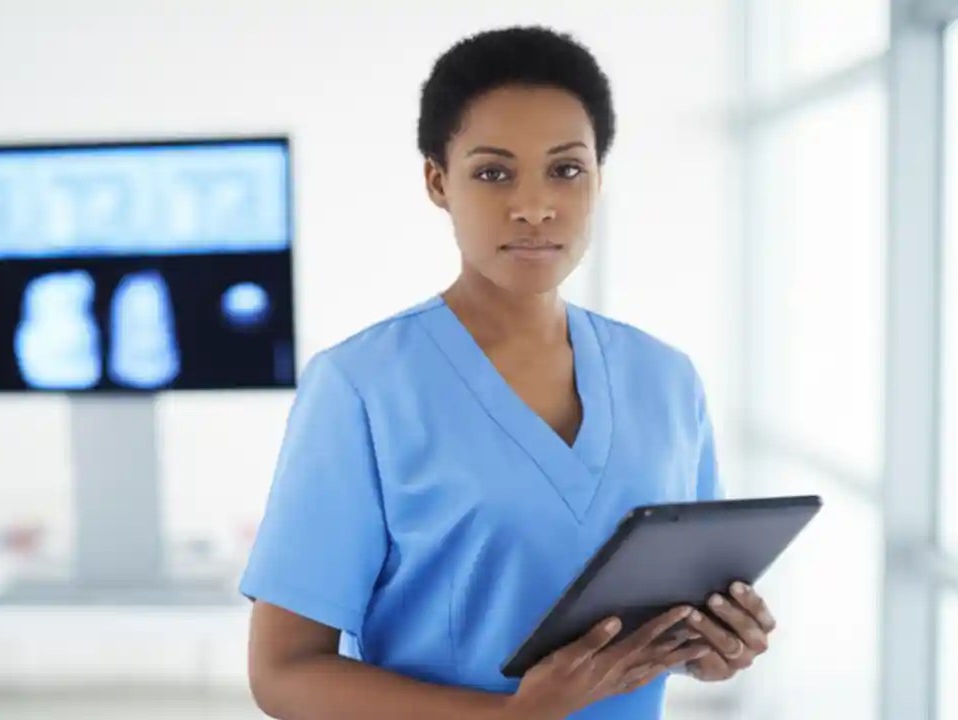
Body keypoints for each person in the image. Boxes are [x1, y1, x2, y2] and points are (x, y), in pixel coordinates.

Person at [239, 25, 777, 720]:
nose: (534, 207)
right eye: (494, 173)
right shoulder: (361, 387)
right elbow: (283, 673)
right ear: (439, 181)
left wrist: (715, 647)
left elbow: (680, 617)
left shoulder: (667, 380)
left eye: (566, 169)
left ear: (598, 180)